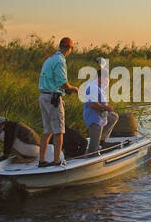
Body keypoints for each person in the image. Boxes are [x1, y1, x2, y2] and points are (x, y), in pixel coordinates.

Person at [37, 37, 78, 167]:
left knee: (47, 131)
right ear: (69, 49)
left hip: (43, 97)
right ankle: (57, 161)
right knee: (59, 131)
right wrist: (73, 88)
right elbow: (63, 83)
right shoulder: (60, 60)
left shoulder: (49, 59)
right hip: (53, 99)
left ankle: (42, 161)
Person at [79, 57, 119, 155]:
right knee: (93, 148)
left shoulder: (100, 86)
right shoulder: (93, 86)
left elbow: (105, 77)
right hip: (93, 117)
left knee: (113, 117)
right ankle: (91, 155)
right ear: (100, 78)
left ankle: (102, 141)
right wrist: (106, 108)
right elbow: (93, 104)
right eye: (106, 79)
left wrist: (103, 66)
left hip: (101, 114)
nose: (108, 81)